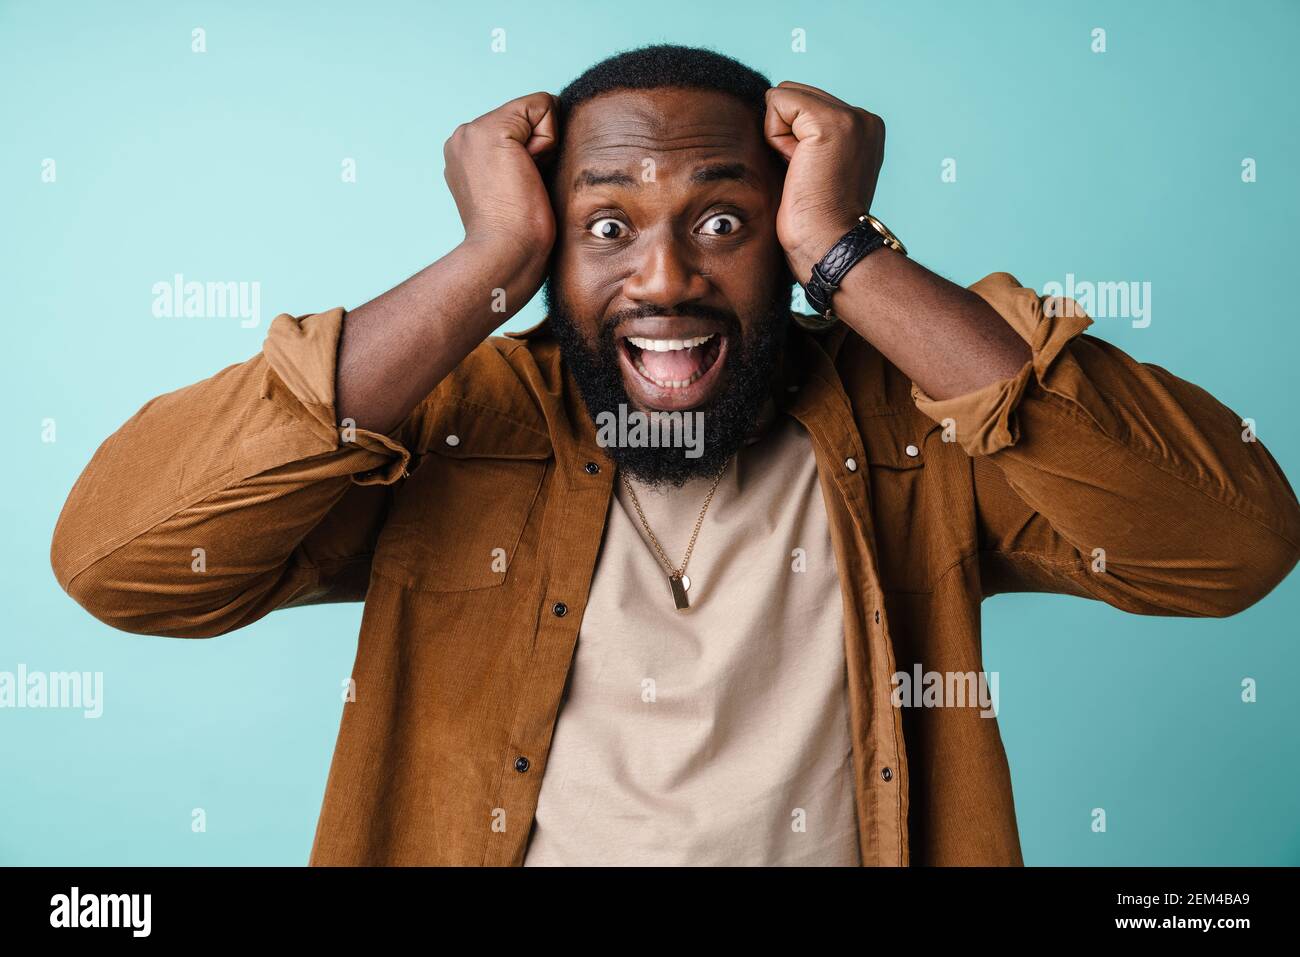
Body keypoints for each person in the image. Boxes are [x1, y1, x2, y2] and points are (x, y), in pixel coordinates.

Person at [50, 44, 1300, 866]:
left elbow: (1232, 545)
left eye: (723, 220)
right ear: (547, 248)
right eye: (605, 226)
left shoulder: (913, 420)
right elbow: (123, 565)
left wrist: (848, 251)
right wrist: (484, 268)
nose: (662, 276)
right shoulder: (452, 420)